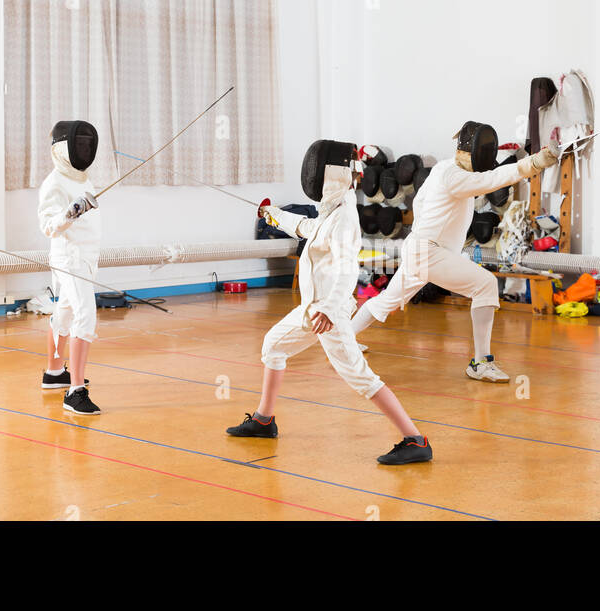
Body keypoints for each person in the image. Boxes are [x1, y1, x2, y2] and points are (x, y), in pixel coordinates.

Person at [227, 139, 431, 465]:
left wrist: (330, 308)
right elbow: (307, 227)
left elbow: (348, 267)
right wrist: (273, 215)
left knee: (360, 376)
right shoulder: (331, 209)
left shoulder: (344, 217)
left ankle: (415, 440)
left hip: (327, 314)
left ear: (330, 174)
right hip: (312, 310)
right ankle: (264, 420)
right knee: (274, 345)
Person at [349, 121, 560, 383]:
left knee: (387, 300)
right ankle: (481, 363)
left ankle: (344, 340)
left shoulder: (443, 168)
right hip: (429, 252)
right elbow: (491, 179)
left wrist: (425, 232)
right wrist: (535, 163)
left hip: (421, 248)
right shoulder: (455, 177)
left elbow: (420, 200)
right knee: (485, 285)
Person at [37, 120, 102, 415]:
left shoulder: (83, 179)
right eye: (80, 144)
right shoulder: (53, 184)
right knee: (85, 314)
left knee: (64, 311)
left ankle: (53, 373)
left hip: (87, 256)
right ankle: (75, 392)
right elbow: (49, 227)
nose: (85, 150)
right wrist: (70, 211)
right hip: (70, 259)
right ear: (64, 148)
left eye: (88, 145)